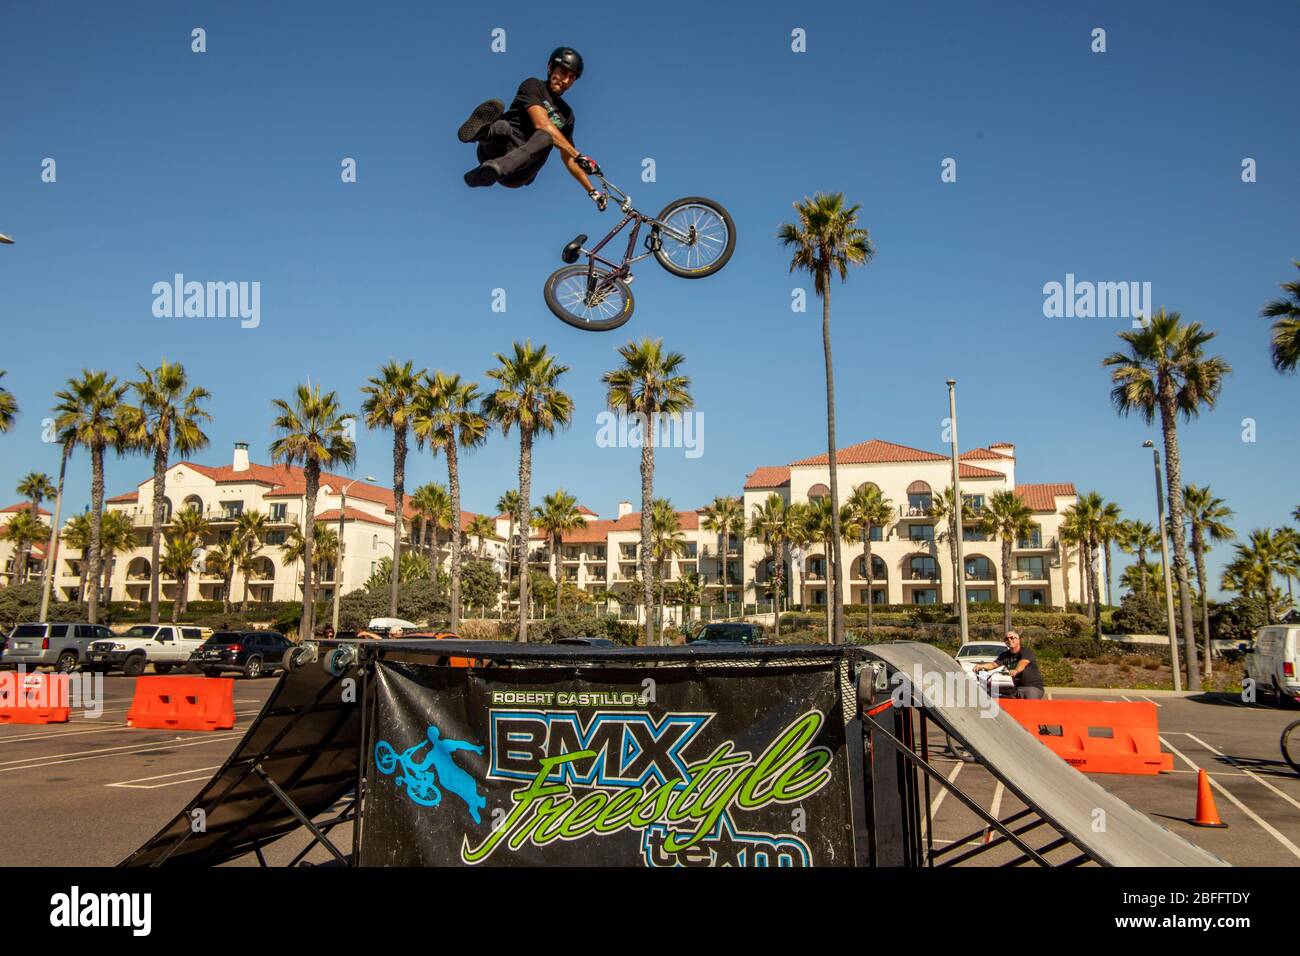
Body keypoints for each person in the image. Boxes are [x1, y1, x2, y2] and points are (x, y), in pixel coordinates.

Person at [458, 47, 606, 208]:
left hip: (519, 171)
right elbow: (541, 123)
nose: (566, 81)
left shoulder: (567, 115)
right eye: (563, 73)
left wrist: (592, 191)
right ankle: (480, 134)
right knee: (504, 126)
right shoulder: (533, 85)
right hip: (494, 149)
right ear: (550, 68)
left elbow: (568, 157)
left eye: (572, 78)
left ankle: (493, 169)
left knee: (546, 138)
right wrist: (578, 155)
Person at [974, 630, 1046, 699]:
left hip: (1032, 688)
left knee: (1029, 709)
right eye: (1006, 639)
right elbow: (993, 665)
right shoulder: (1005, 655)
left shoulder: (1026, 651)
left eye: (1012, 638)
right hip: (1016, 689)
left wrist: (1016, 670)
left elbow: (1023, 663)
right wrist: (980, 666)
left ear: (1018, 640)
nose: (1009, 640)